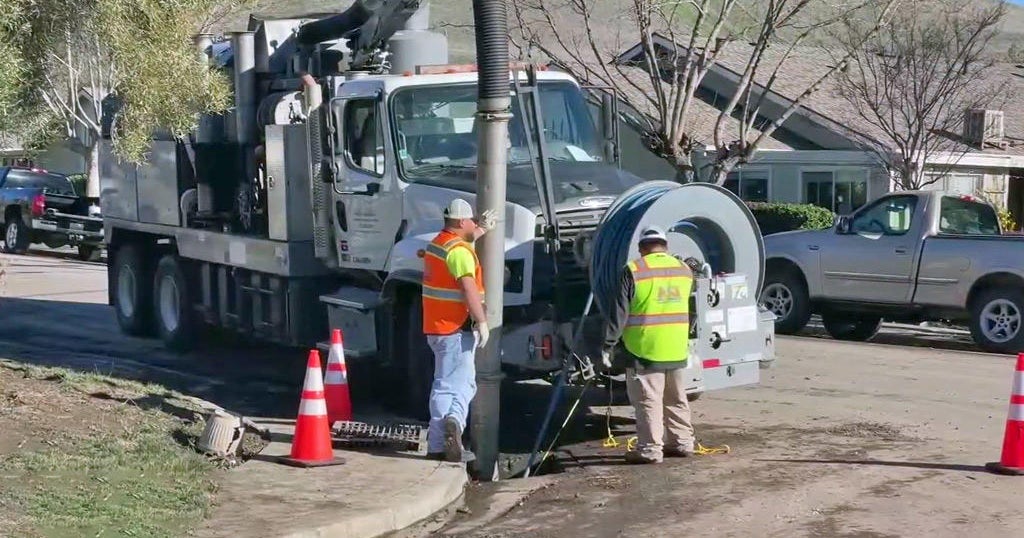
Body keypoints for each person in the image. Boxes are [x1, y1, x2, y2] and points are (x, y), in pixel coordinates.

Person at [600, 225, 696, 464]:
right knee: (676, 397)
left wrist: (607, 346)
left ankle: (650, 449)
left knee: (648, 399)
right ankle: (682, 442)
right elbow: (690, 306)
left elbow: (619, 313)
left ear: (642, 248)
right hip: (675, 346)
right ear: (665, 246)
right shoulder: (684, 270)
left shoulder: (634, 270)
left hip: (644, 348)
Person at [421, 198, 496, 462]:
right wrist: (482, 321)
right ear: (461, 221)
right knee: (449, 385)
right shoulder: (460, 253)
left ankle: (450, 426)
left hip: (437, 326)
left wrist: (483, 230)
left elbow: (464, 242)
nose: (474, 223)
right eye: (472, 220)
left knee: (461, 382)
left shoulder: (439, 245)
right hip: (454, 329)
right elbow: (468, 288)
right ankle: (442, 440)